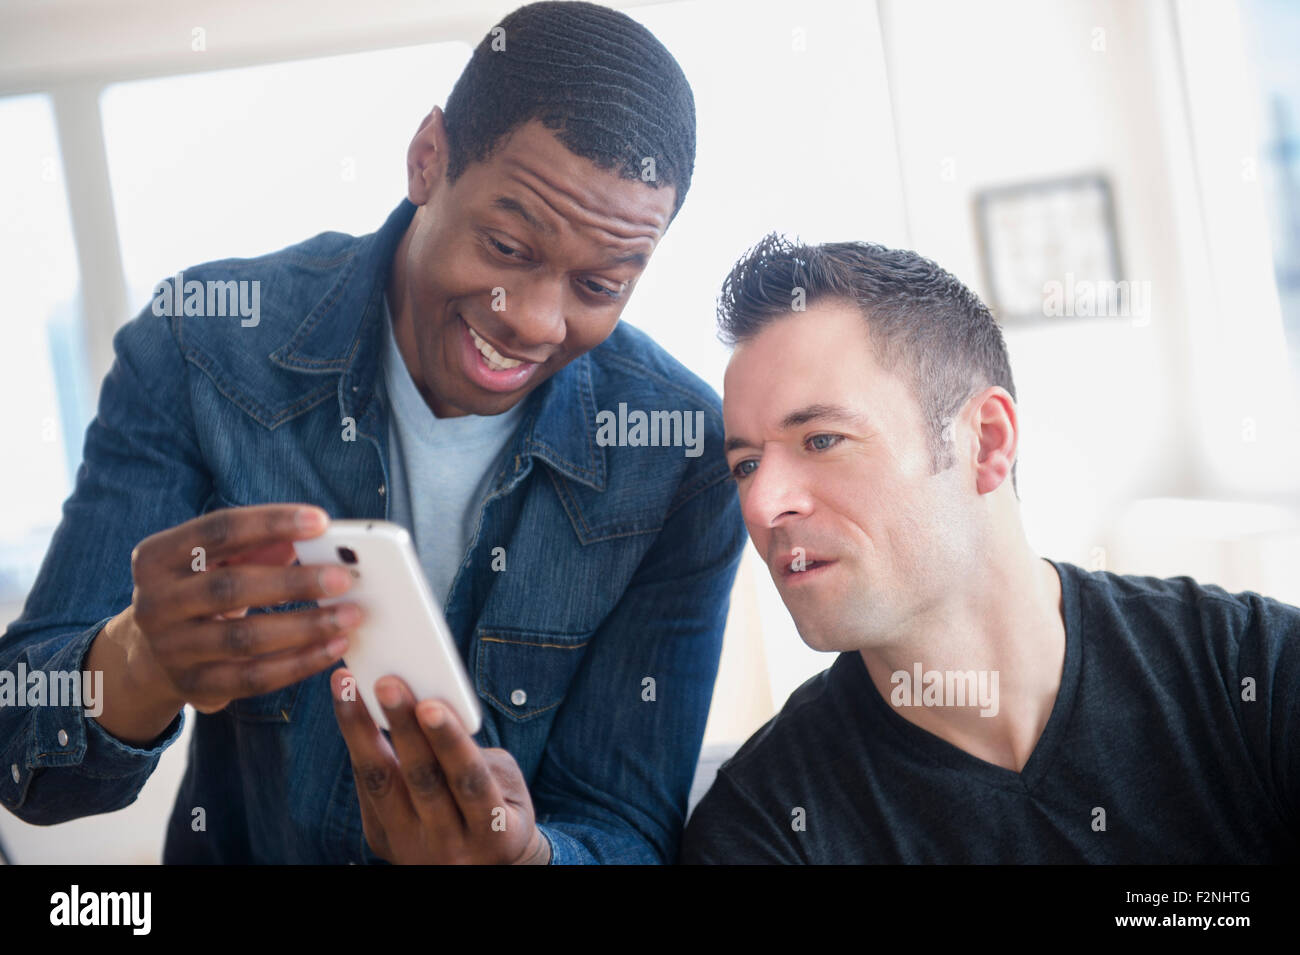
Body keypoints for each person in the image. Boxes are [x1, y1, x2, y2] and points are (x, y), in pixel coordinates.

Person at [1, 1, 746, 865]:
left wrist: (529, 857)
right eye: (507, 246)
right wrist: (136, 658)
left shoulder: (679, 452)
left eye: (601, 285)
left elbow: (629, 824)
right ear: (428, 158)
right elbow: (27, 758)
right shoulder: (200, 348)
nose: (537, 322)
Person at [679, 233, 1299, 863]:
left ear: (988, 442)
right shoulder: (767, 828)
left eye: (820, 440)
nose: (761, 505)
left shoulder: (1258, 676)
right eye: (746, 465)